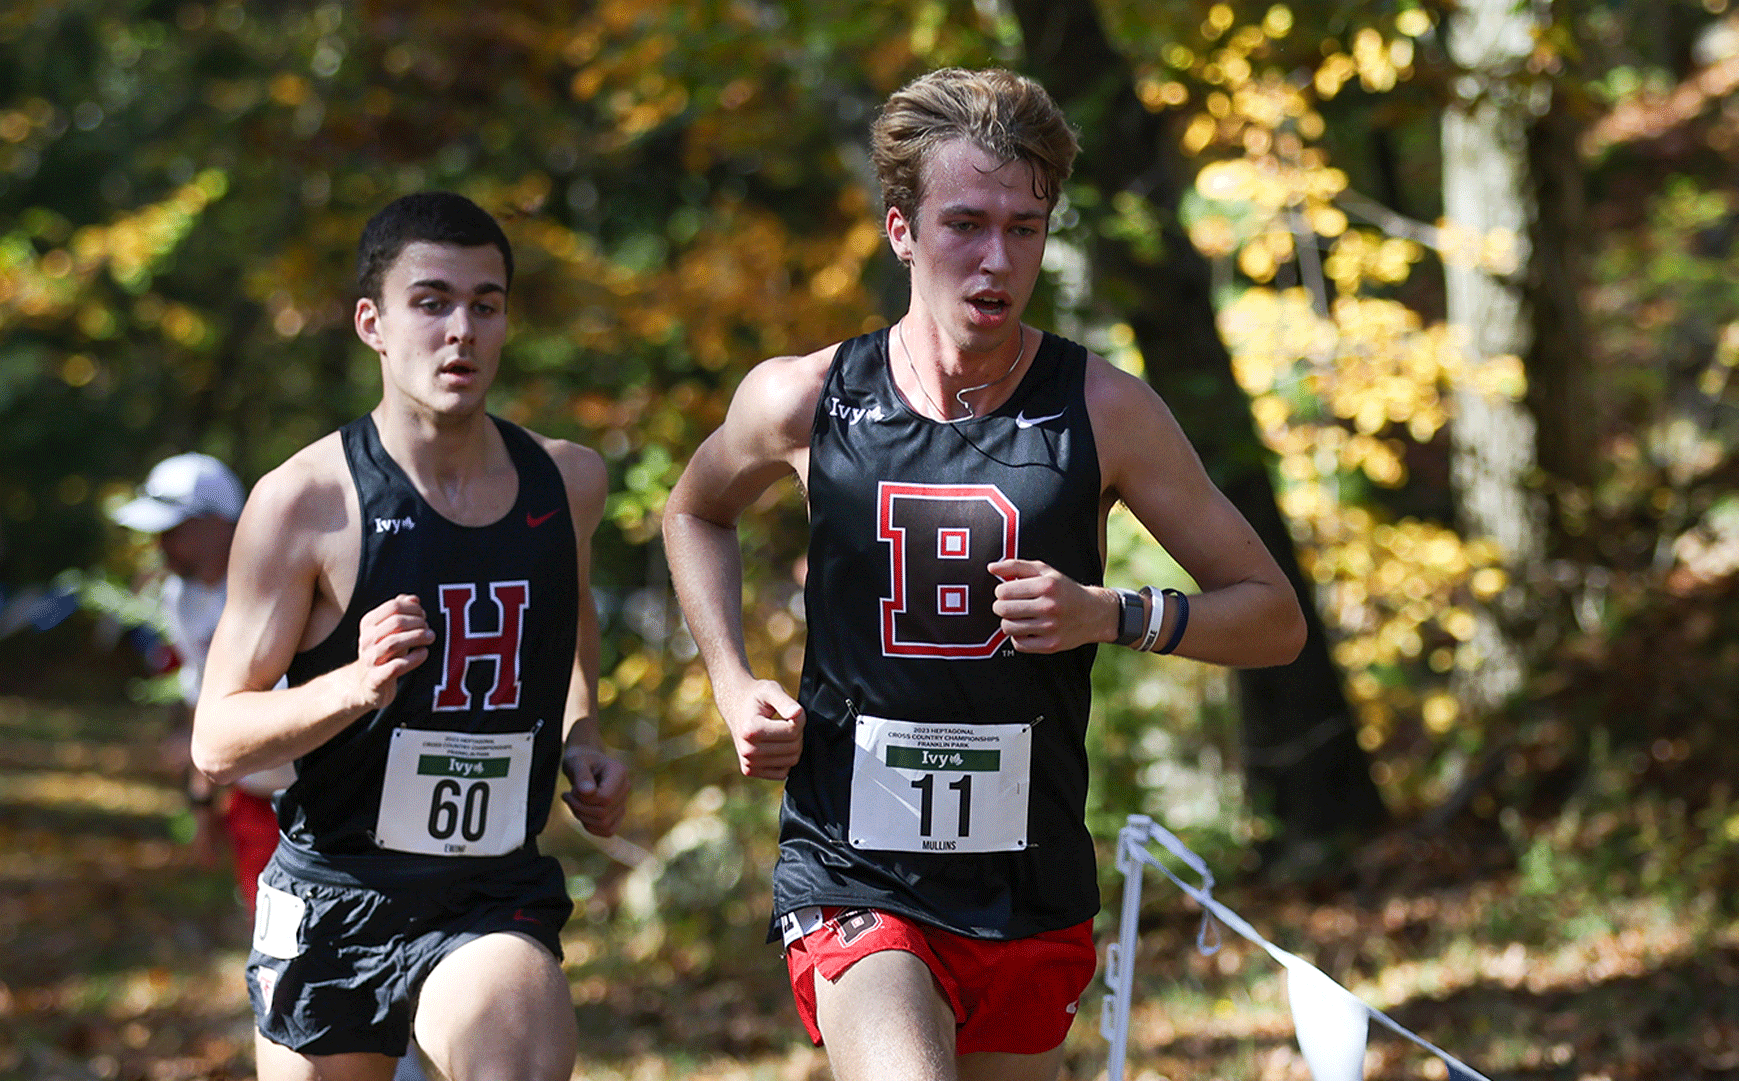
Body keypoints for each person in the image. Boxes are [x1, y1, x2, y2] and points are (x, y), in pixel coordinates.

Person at [662, 68, 1308, 1081]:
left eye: (1025, 228)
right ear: (901, 232)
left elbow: (1273, 619)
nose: (996, 260)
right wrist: (732, 681)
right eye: (965, 224)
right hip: (851, 867)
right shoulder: (804, 399)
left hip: (1029, 876)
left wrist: (1113, 613)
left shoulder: (1103, 409)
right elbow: (694, 508)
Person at [193, 191, 629, 1081]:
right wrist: (351, 685)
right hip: (336, 886)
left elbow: (569, 633)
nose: (460, 329)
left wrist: (585, 737)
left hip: (488, 888)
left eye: (486, 303)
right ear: (374, 323)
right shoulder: (305, 503)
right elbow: (216, 739)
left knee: (519, 1049)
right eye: (431, 302)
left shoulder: (567, 484)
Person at [114, 453, 291, 910]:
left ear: (219, 522)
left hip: (323, 796)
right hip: (251, 799)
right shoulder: (181, 599)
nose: (161, 543)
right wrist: (202, 803)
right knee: (269, 935)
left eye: (172, 529)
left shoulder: (287, 579)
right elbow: (204, 700)